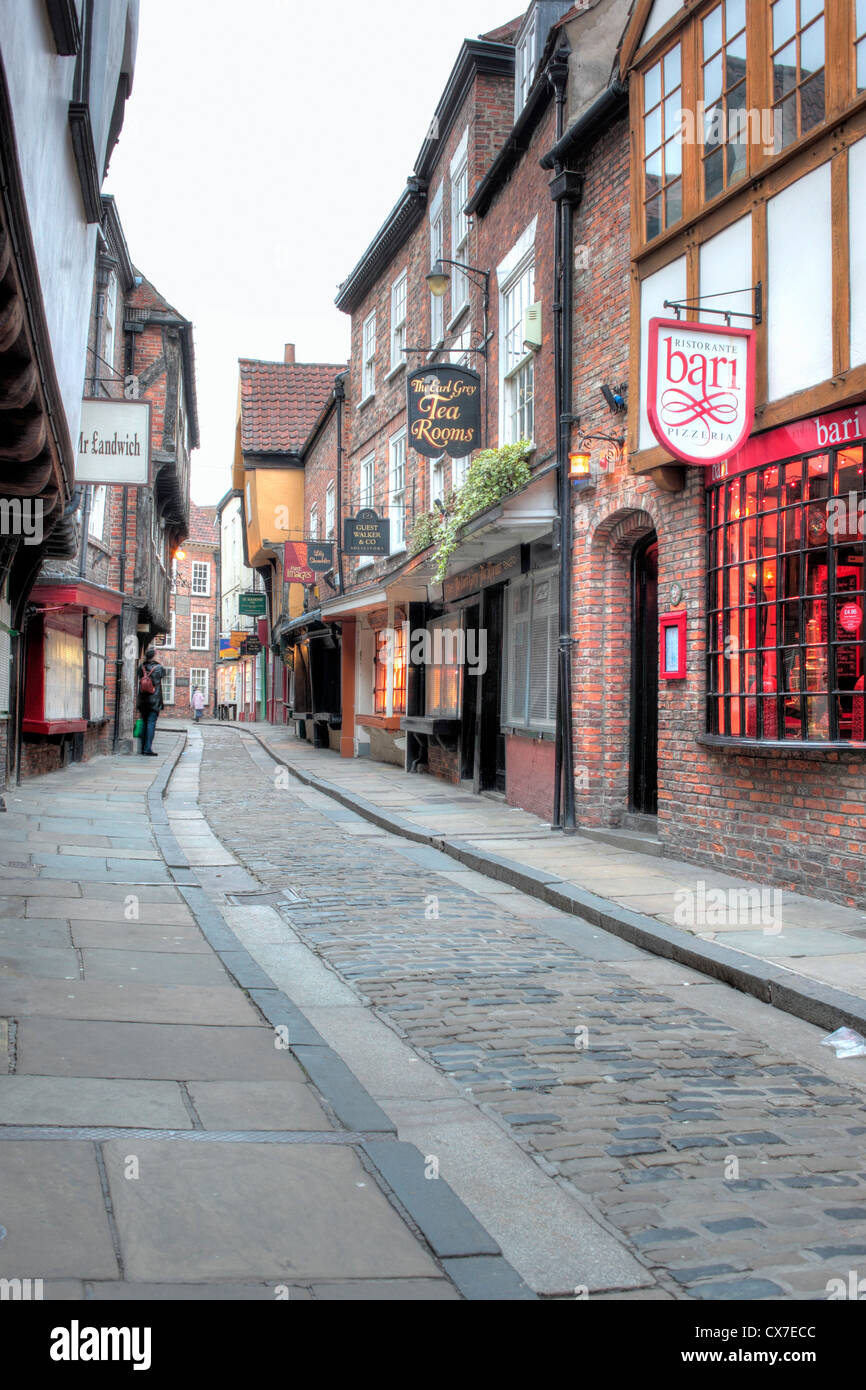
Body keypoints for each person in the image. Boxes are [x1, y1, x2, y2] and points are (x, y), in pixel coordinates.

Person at [137, 646, 165, 756]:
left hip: (143, 699)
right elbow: (163, 675)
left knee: (144, 722)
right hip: (154, 699)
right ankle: (148, 748)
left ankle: (142, 747)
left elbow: (139, 676)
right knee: (151, 723)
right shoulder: (159, 668)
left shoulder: (141, 667)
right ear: (154, 656)